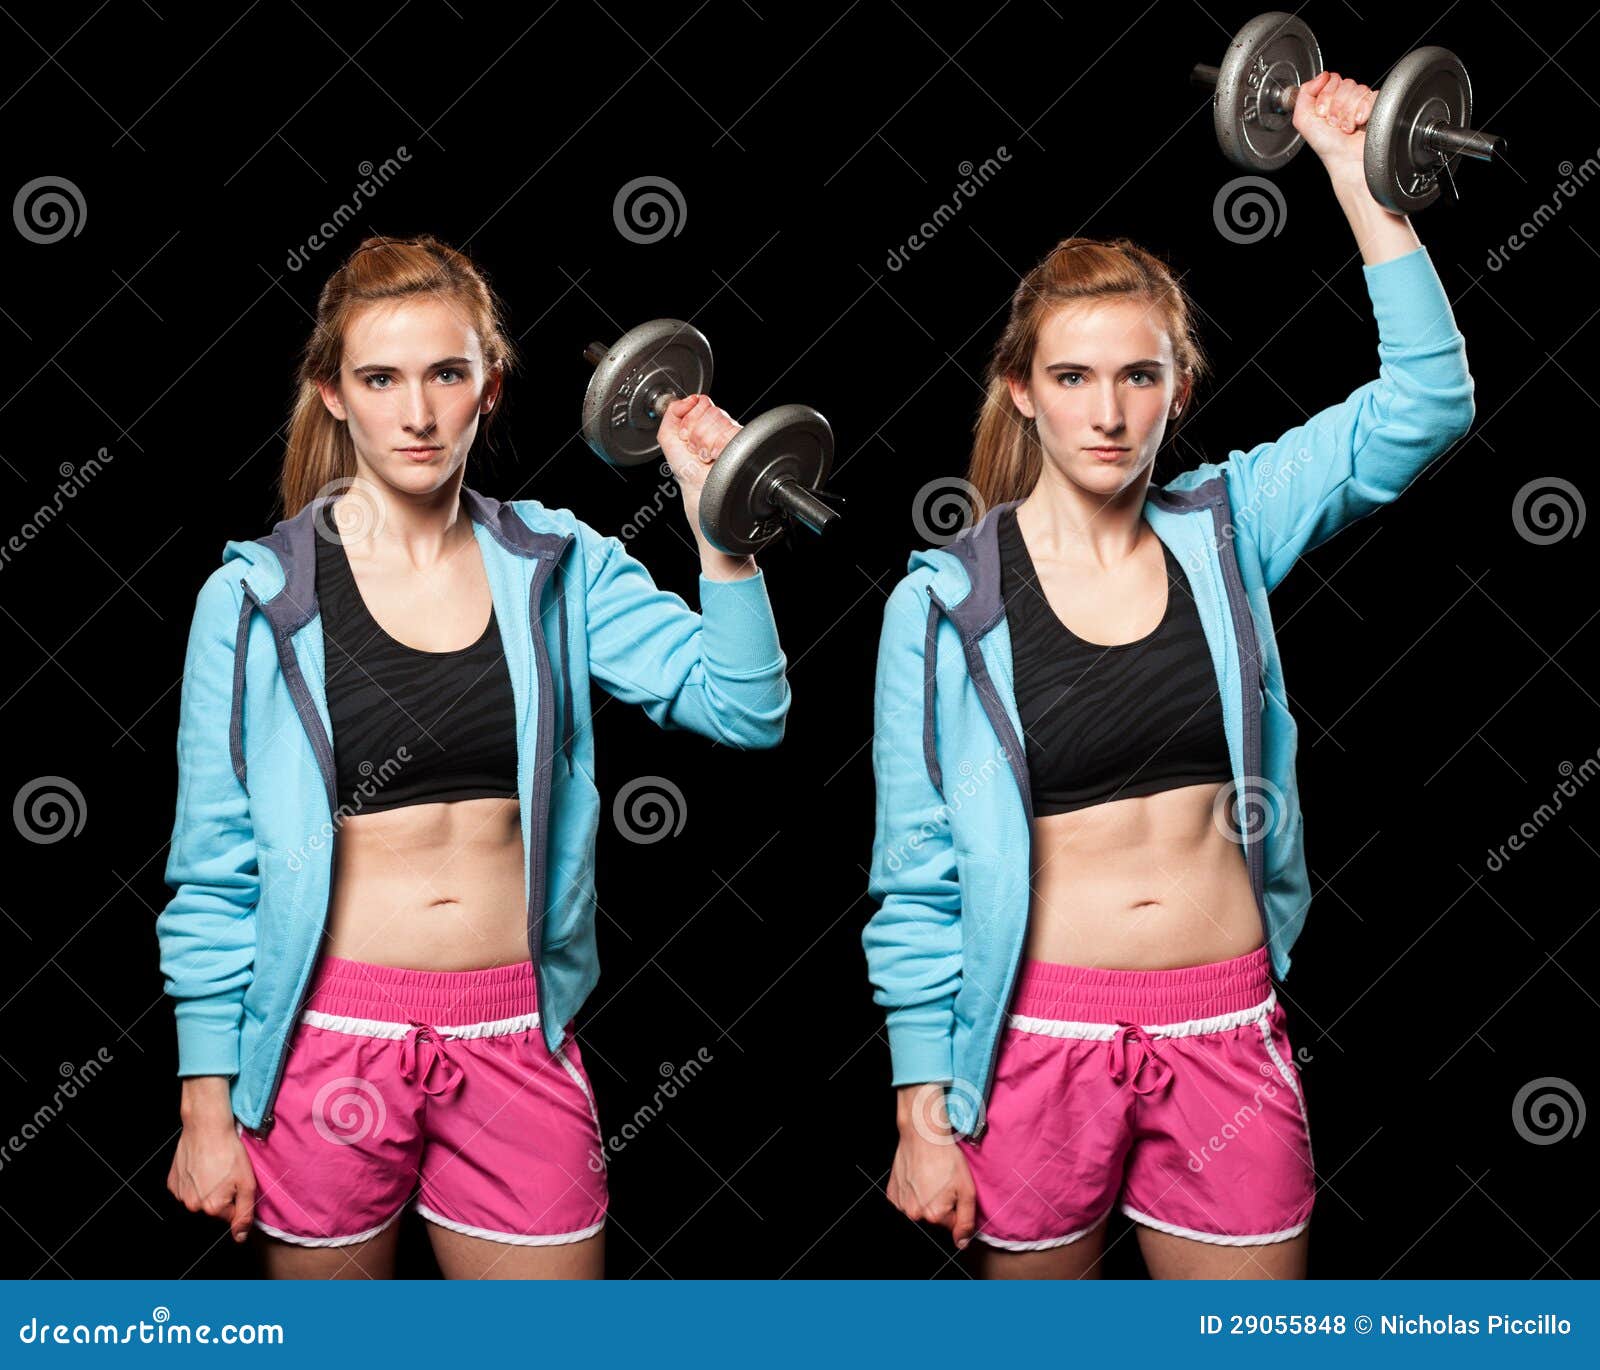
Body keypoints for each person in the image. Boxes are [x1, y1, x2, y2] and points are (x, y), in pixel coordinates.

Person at [864, 72, 1474, 1278]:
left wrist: (1355, 178)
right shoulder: (940, 604)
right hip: (1035, 1048)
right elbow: (914, 875)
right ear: (1022, 393)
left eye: (1138, 377)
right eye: (1075, 378)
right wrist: (917, 1104)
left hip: (1225, 1030)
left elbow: (1426, 403)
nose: (1108, 410)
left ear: (1177, 391)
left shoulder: (1229, 522)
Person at [159, 234, 791, 1278]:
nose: (416, 411)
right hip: (326, 1044)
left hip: (514, 1037)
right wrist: (205, 1104)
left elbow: (746, 706)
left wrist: (716, 517)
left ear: (489, 388)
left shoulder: (558, 563)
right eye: (381, 377)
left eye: (446, 373)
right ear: (332, 393)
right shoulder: (253, 598)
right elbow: (211, 869)